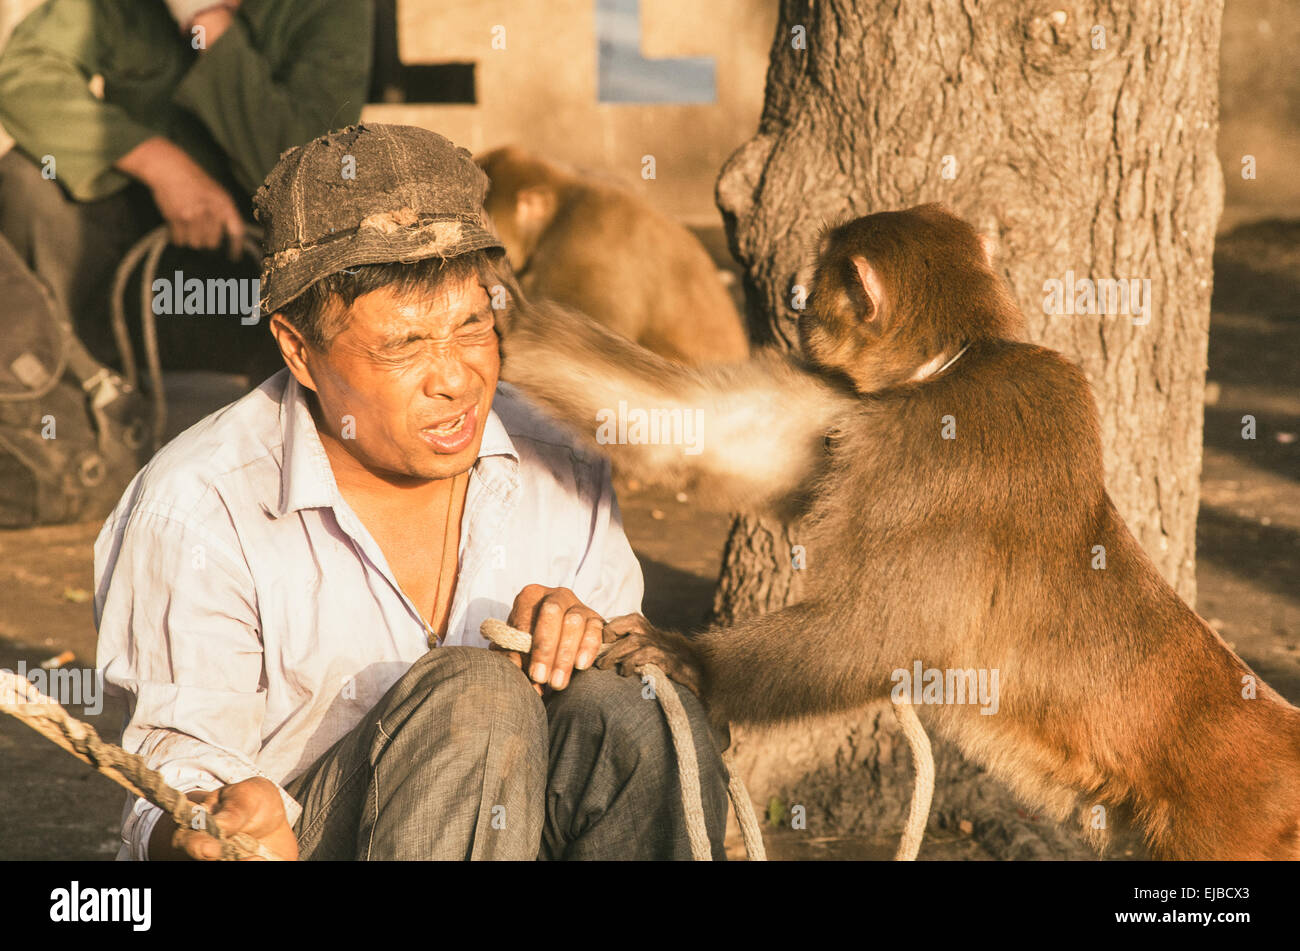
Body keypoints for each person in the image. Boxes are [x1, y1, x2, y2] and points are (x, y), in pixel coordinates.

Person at [93, 123, 731, 861]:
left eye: (472, 327)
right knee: (477, 697)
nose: (455, 378)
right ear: (299, 350)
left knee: (640, 705)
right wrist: (208, 825)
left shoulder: (558, 457)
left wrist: (593, 640)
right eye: (403, 345)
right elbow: (169, 781)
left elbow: (617, 717)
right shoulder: (199, 507)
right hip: (312, 842)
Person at [0, 0, 373, 372]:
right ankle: (77, 393)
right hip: (132, 248)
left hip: (261, 269)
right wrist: (159, 164)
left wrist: (210, 27)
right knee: (28, 179)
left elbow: (310, 172)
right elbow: (24, 73)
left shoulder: (332, 8)